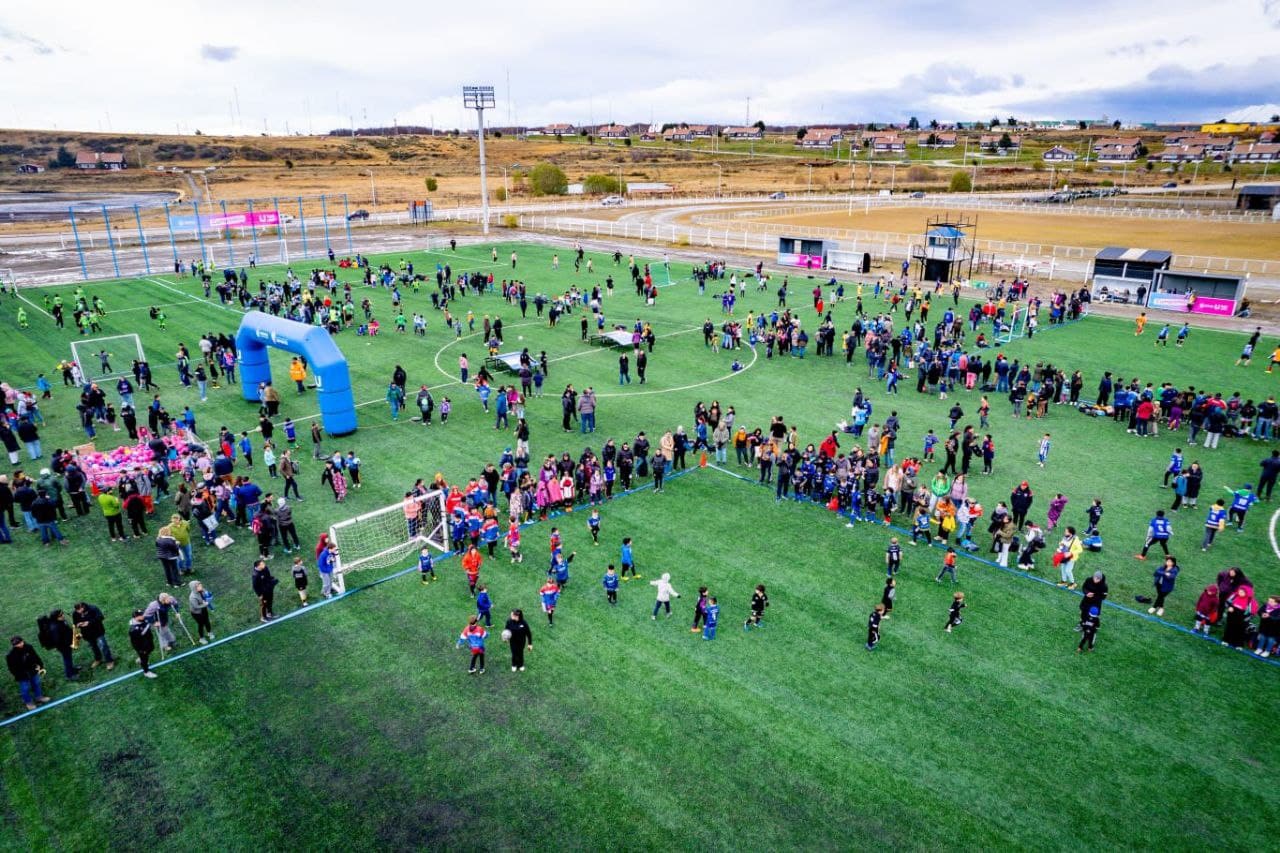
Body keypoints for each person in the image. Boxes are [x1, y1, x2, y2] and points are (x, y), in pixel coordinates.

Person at [8, 636, 51, 709]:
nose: (20, 644)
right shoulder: (11, 655)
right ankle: (28, 702)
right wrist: (19, 675)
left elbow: (36, 657)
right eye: (17, 644)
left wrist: (40, 665)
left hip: (32, 671)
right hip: (22, 675)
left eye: (21, 642)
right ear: (14, 645)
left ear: (23, 641)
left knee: (36, 683)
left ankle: (39, 697)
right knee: (25, 689)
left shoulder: (29, 647)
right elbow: (12, 668)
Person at [72, 602, 114, 670]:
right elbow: (75, 622)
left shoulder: (93, 608)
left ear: (83, 607)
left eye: (79, 610)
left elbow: (101, 617)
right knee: (93, 647)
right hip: (87, 634)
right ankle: (98, 659)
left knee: (103, 646)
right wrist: (78, 624)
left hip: (98, 632)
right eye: (77, 610)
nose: (79, 612)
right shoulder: (75, 613)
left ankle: (109, 661)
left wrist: (89, 622)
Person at [128, 610, 158, 678]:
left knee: (151, 649)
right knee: (144, 659)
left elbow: (151, 619)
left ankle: (141, 658)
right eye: (141, 615)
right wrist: (141, 651)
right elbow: (135, 643)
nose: (143, 616)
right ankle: (146, 672)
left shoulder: (144, 619)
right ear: (136, 617)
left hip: (149, 642)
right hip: (142, 647)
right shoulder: (134, 630)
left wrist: (154, 623)